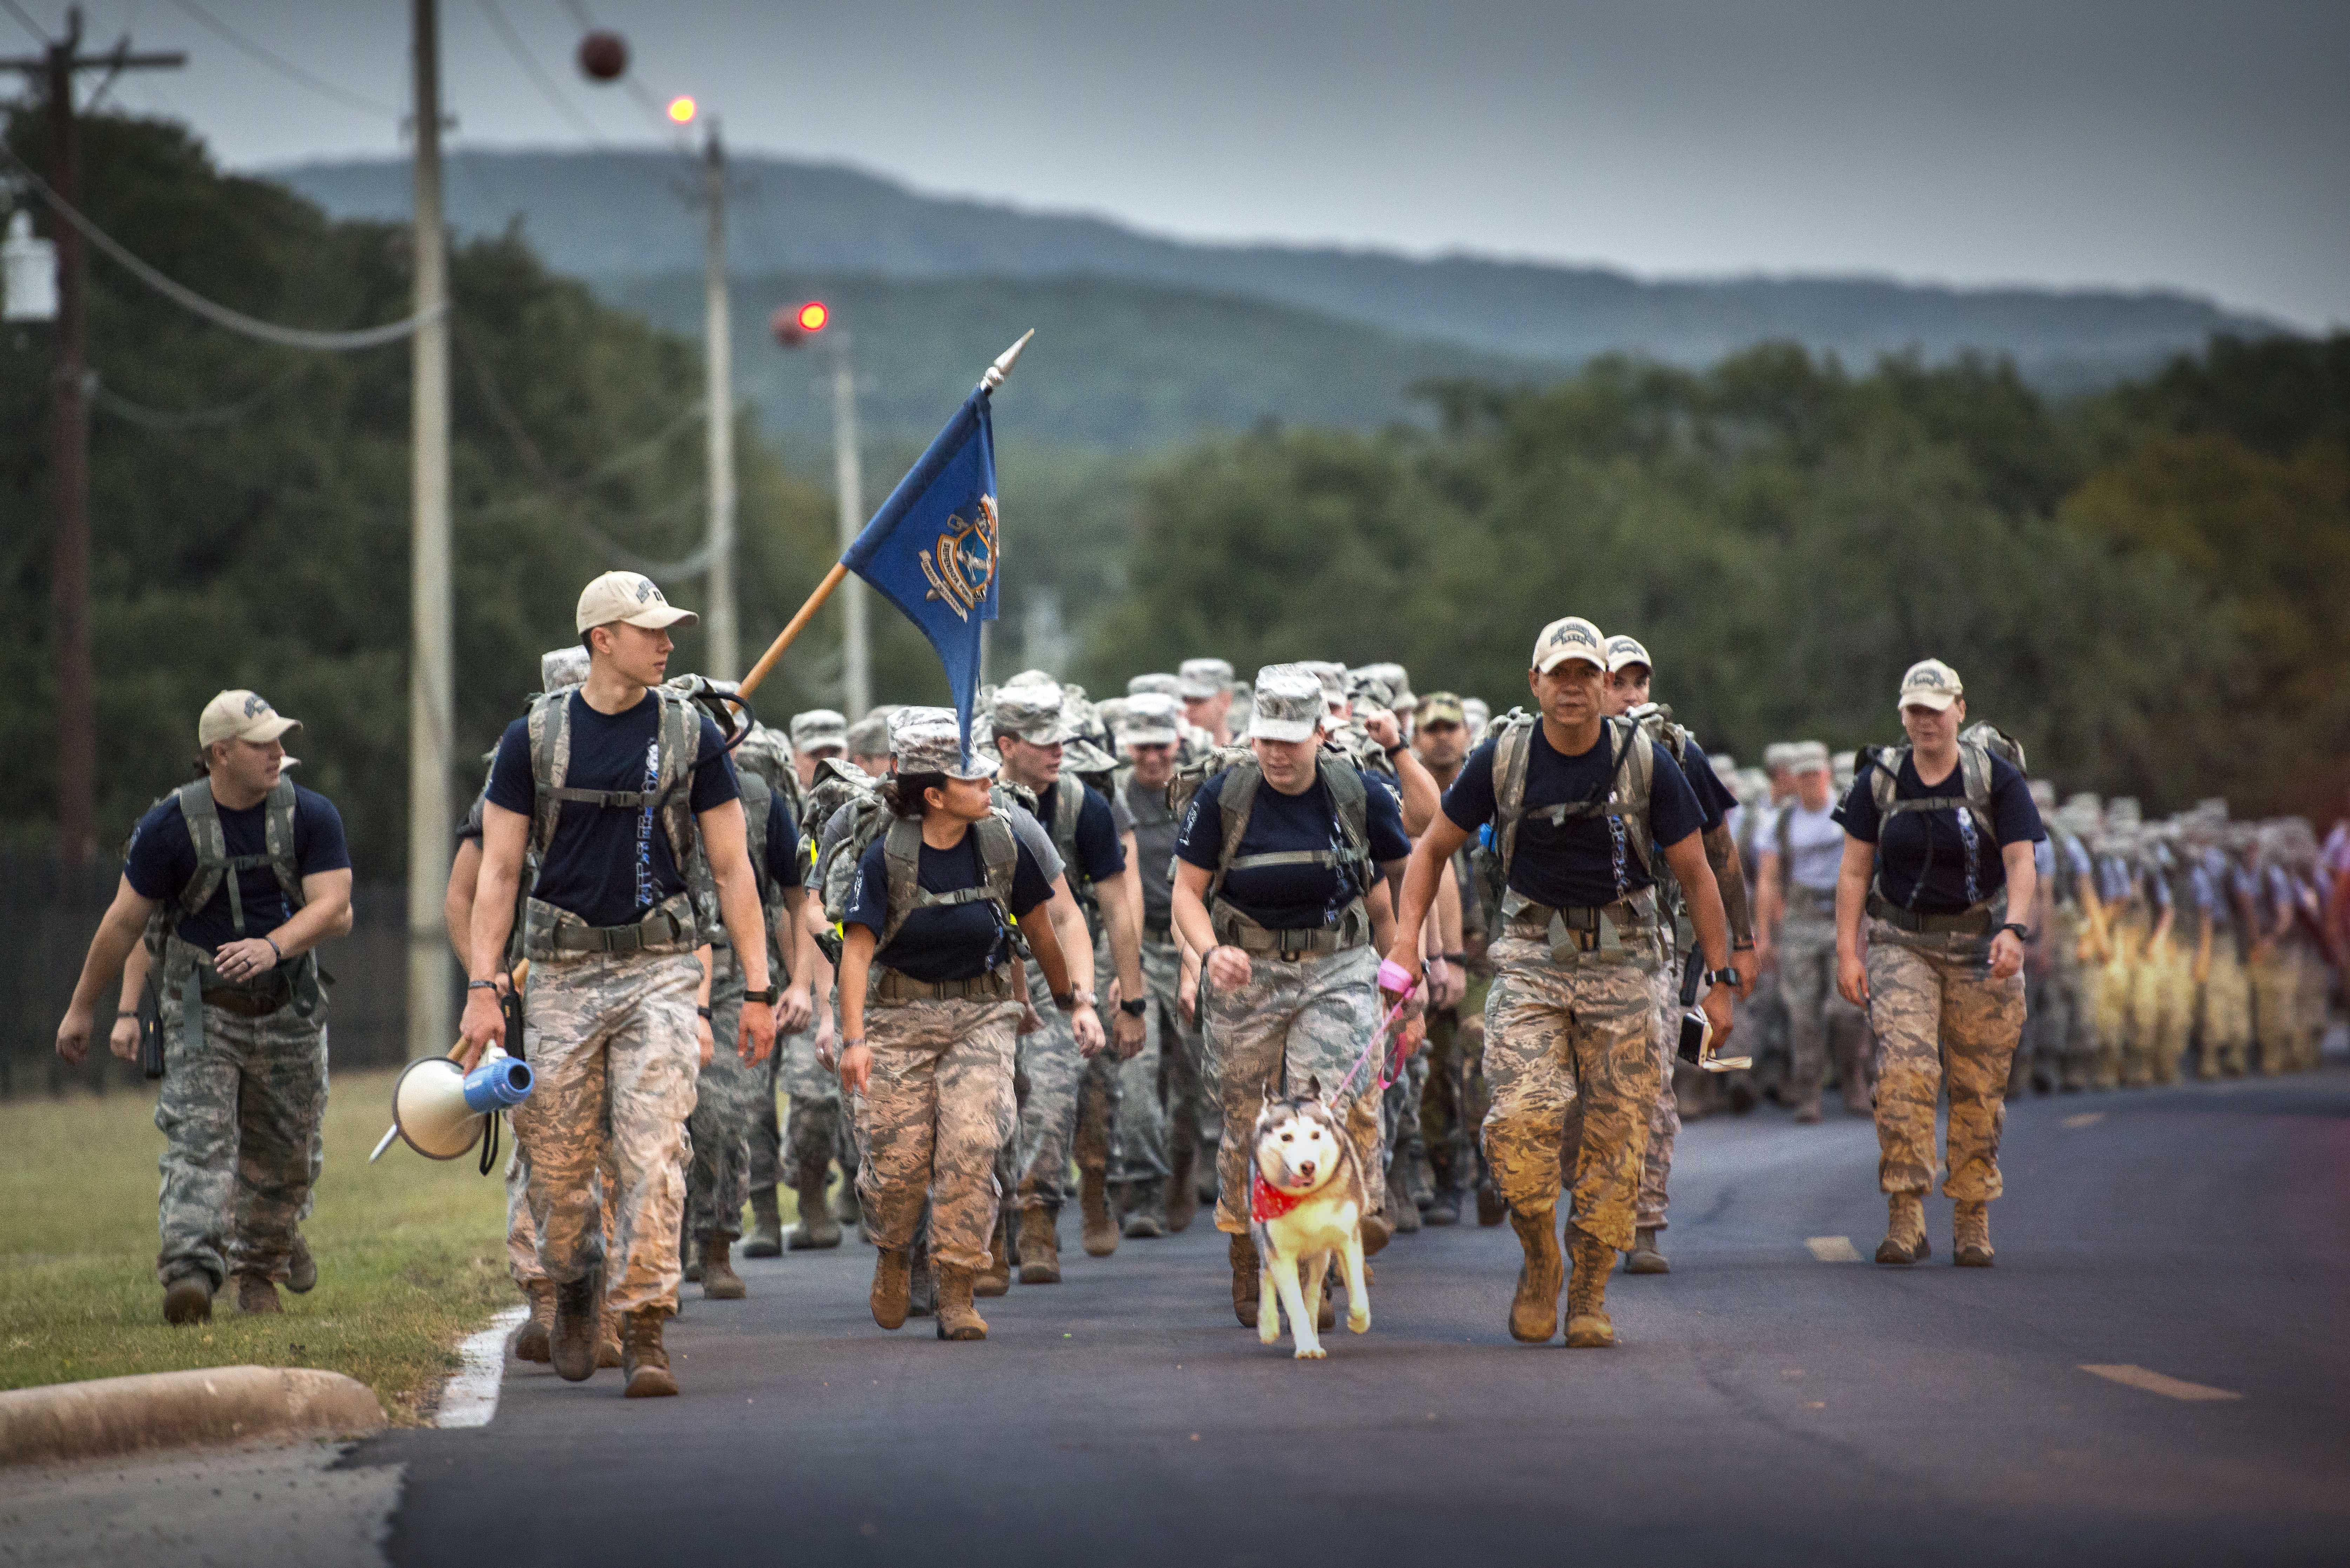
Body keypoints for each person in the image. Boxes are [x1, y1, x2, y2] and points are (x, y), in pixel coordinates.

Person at [457, 571, 779, 1399]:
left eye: (668, 629)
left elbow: (733, 866)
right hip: (561, 974)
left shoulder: (691, 734)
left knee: (654, 1151)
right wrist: (484, 983)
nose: (667, 642)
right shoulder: (530, 738)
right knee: (558, 1167)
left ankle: (644, 1326)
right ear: (603, 638)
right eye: (649, 630)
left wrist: (758, 982)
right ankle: (571, 1284)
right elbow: (496, 872)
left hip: (659, 971)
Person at [1386, 617, 1735, 1348]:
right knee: (1519, 1123)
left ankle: (1589, 1291)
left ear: (1608, 686)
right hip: (1531, 963)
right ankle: (1540, 1255)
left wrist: (1720, 981)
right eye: (1560, 675)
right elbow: (1429, 852)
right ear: (1535, 682)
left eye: (1588, 675)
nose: (1573, 688)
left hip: (1629, 965)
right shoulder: (1503, 758)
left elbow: (1697, 872)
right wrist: (1404, 947)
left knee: (1617, 1139)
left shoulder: (1645, 761)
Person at [56, 690, 353, 1325]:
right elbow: (125, 924)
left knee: (287, 1155)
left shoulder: (311, 816)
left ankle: (259, 1271)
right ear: (221, 754)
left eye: (279, 740)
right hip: (202, 1013)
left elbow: (336, 908)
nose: (278, 753)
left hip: (288, 1010)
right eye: (261, 744)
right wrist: (90, 1008)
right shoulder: (169, 829)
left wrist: (273, 947)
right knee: (200, 1145)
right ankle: (191, 1273)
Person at [1173, 664, 1415, 1326]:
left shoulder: (1355, 792)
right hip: (1246, 971)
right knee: (1246, 1126)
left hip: (1336, 966)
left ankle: (1317, 1271)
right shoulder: (1224, 797)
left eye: (1289, 739)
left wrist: (1405, 962)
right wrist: (1208, 952)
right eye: (1265, 739)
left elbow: (1399, 878)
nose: (1276, 754)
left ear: (1318, 732)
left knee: (1334, 1113)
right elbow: (1185, 895)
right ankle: (1249, 1253)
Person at [835, 710, 1077, 1341]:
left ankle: (957, 1288)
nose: (989, 784)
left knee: (972, 1145)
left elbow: (1040, 930)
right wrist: (854, 1041)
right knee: (897, 1166)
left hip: (981, 1016)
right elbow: (856, 953)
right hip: (896, 1022)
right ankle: (893, 1252)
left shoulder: (1002, 843)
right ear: (935, 796)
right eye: (972, 780)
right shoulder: (885, 856)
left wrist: (1069, 1003)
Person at [1833, 658, 2041, 1268]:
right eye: (1913, 710)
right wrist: (1847, 951)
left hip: (1981, 947)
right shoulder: (1879, 781)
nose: (1925, 720)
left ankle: (1971, 1215)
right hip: (1902, 941)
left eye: (1935, 708)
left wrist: (2013, 929)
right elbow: (1853, 870)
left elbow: (2022, 862)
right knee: (1905, 1070)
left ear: (1959, 709)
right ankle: (1905, 1212)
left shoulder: (1994, 778)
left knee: (1978, 1086)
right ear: (1902, 716)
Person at [1593, 633, 1754, 1275]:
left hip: (1654, 946)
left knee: (1651, 1084)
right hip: (1564, 949)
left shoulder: (1676, 754)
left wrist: (1736, 951)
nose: (1630, 695)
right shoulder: (1550, 751)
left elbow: (1720, 855)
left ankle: (1644, 1222)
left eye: (1639, 682)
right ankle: (1598, 1206)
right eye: (1617, 682)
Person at [989, 679, 1142, 1271]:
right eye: (1043, 742)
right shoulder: (974, 799)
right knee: (993, 1105)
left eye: (1063, 741)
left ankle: (1040, 1220)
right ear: (1006, 745)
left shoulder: (1086, 806)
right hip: (993, 969)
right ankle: (990, 1226)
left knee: (1062, 1096)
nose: (1058, 752)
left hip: (1070, 960)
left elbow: (1114, 907)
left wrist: (1130, 998)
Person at [680, 722, 817, 1298]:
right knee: (659, 1122)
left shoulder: (760, 798)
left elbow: (793, 897)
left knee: (725, 1116)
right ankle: (662, 1250)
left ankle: (715, 1243)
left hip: (743, 976)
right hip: (661, 968)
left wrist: (801, 983)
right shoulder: (649, 793)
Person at [1106, 692, 1206, 1237]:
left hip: (1194, 942)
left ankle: (1182, 1168)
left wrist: (1197, 963)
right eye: (1142, 746)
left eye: (1161, 746)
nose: (1152, 758)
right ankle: (1141, 1188)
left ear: (1178, 742)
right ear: (1128, 746)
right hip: (1136, 945)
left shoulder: (1200, 796)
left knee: (1193, 1077)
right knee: (1138, 1074)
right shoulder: (1116, 799)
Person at [1756, 742, 1872, 1121]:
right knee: (1802, 1014)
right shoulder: (1783, 821)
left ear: (1826, 774)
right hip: (1800, 921)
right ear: (1794, 780)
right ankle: (1808, 1092)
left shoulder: (1847, 810)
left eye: (1816, 774)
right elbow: (1768, 880)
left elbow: (1867, 866)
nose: (1810, 782)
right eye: (1802, 776)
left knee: (1847, 1009)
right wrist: (1764, 934)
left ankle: (1853, 1079)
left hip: (1843, 916)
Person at [1410, 692, 1492, 1227]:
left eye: (1451, 726)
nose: (1442, 735)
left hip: (1487, 955)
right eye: (1430, 727)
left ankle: (1490, 1167)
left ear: (1466, 733)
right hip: (1429, 950)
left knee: (1483, 1049)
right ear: (1416, 737)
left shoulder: (1490, 790)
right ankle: (1444, 1177)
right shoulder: (1409, 799)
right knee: (1433, 1065)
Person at [1179, 657, 1236, 747]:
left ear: (1226, 700)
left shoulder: (1250, 750)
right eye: (1185, 700)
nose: (1188, 708)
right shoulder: (1170, 753)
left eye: (1198, 701)